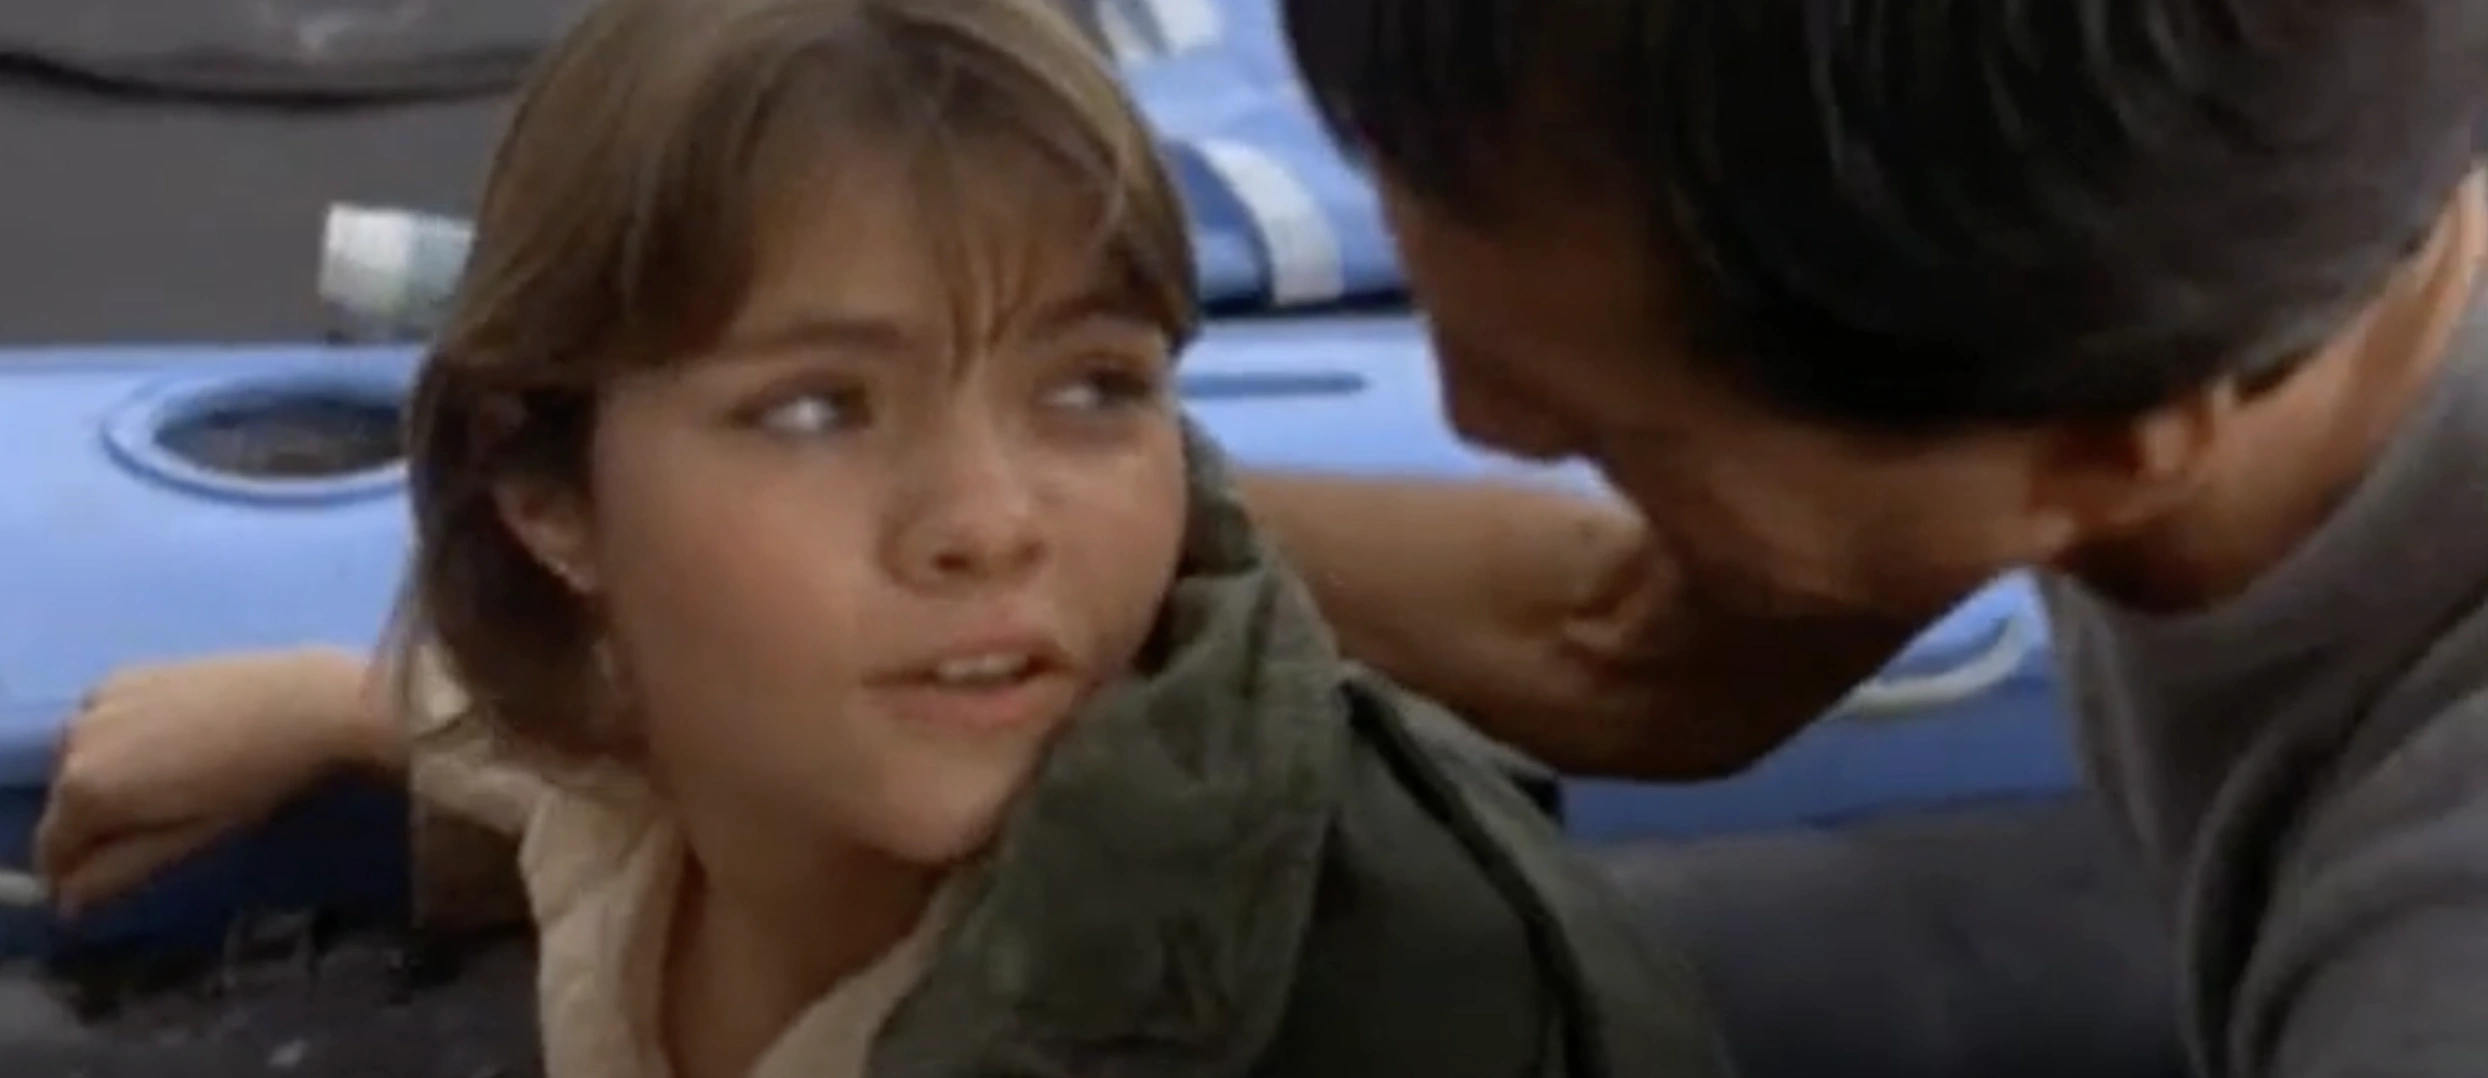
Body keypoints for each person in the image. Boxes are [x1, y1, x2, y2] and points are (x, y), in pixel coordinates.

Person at [29, 0, 1735, 1076]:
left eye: (1091, 388)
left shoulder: (1421, 1005)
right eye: (814, 411)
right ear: (542, 492)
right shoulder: (661, 785)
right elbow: (600, 769)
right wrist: (342, 705)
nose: (988, 523)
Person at [1230, 2, 2488, 1077]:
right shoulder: (2196, 180)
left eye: (1608, 430)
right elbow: (1626, 646)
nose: (1473, 421)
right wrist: (1112, 497)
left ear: (2102, 453)